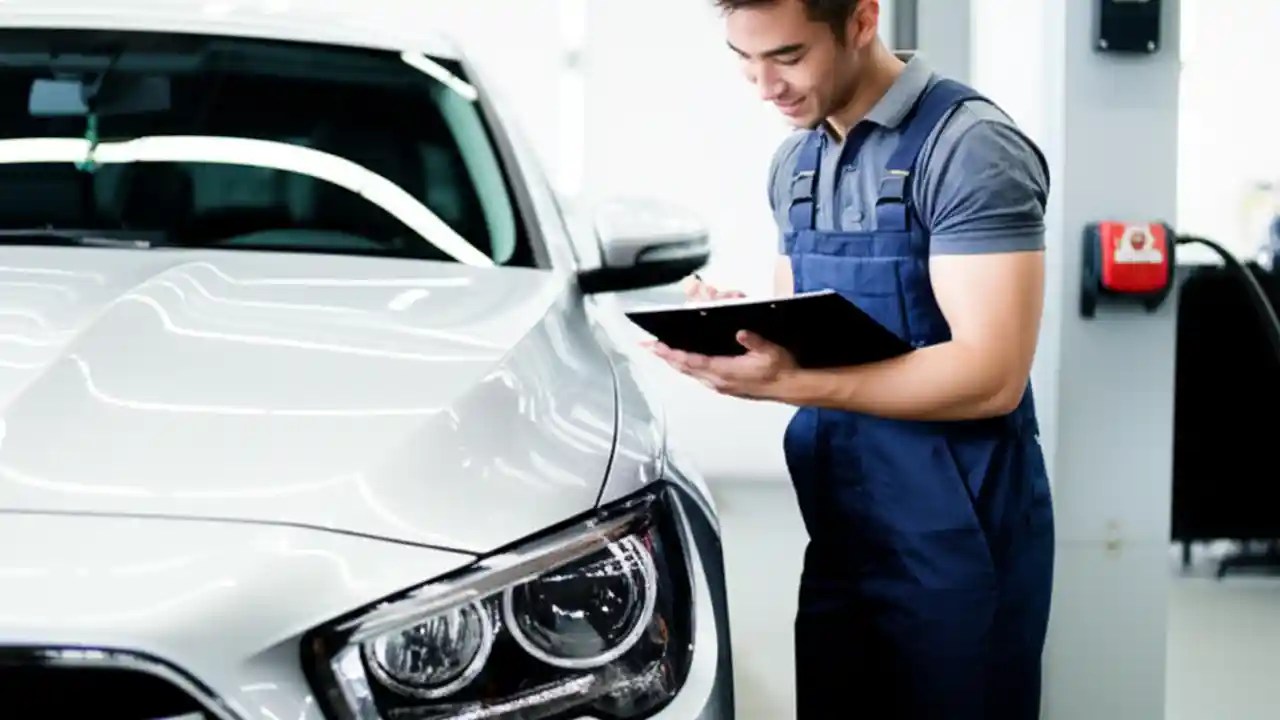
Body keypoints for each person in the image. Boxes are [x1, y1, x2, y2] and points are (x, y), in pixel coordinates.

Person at [648, 0, 1055, 718]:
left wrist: (793, 382)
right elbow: (806, 328)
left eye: (788, 56)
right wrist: (742, 331)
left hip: (956, 538)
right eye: (745, 61)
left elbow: (993, 376)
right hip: (842, 526)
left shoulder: (968, 149)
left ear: (863, 21)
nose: (764, 86)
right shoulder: (797, 160)